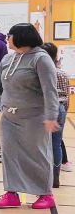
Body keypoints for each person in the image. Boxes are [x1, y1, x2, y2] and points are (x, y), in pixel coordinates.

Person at [0, 24, 59, 210]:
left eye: (9, 36)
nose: (6, 39)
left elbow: (50, 91)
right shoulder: (7, 59)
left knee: (37, 156)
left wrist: (51, 116)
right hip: (9, 117)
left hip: (34, 118)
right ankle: (12, 193)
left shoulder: (41, 59)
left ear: (21, 37)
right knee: (9, 155)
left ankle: (45, 194)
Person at [41, 42, 70, 181]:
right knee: (56, 143)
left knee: (42, 143)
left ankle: (42, 175)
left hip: (46, 108)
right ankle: (55, 176)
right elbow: (66, 96)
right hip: (61, 108)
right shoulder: (62, 74)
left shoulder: (41, 72)